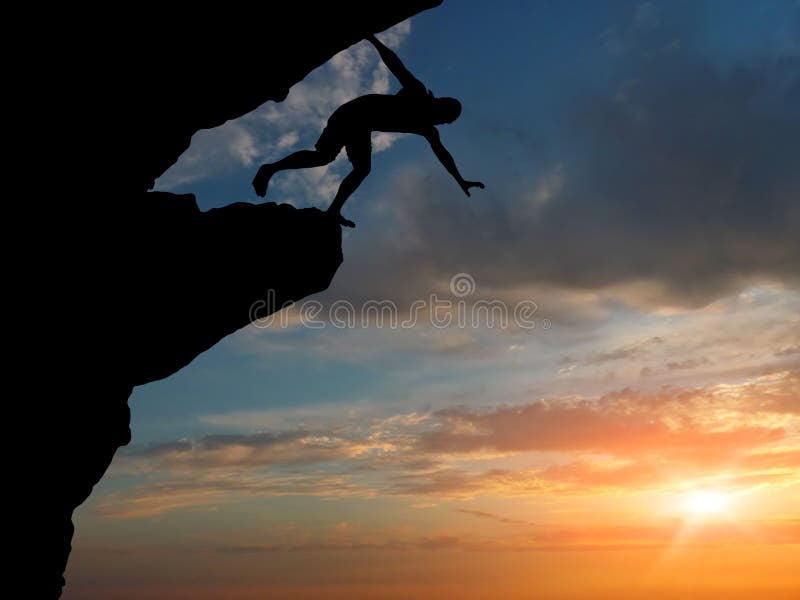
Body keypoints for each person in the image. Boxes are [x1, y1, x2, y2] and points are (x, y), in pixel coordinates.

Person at [252, 33, 484, 227]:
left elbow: (443, 154)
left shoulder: (427, 128)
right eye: (444, 118)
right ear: (439, 106)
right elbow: (395, 64)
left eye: (445, 123)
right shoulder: (417, 93)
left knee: (337, 161)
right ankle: (274, 171)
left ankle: (319, 202)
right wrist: (372, 39)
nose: (441, 124)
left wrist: (460, 180)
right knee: (340, 162)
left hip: (361, 124)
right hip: (353, 113)